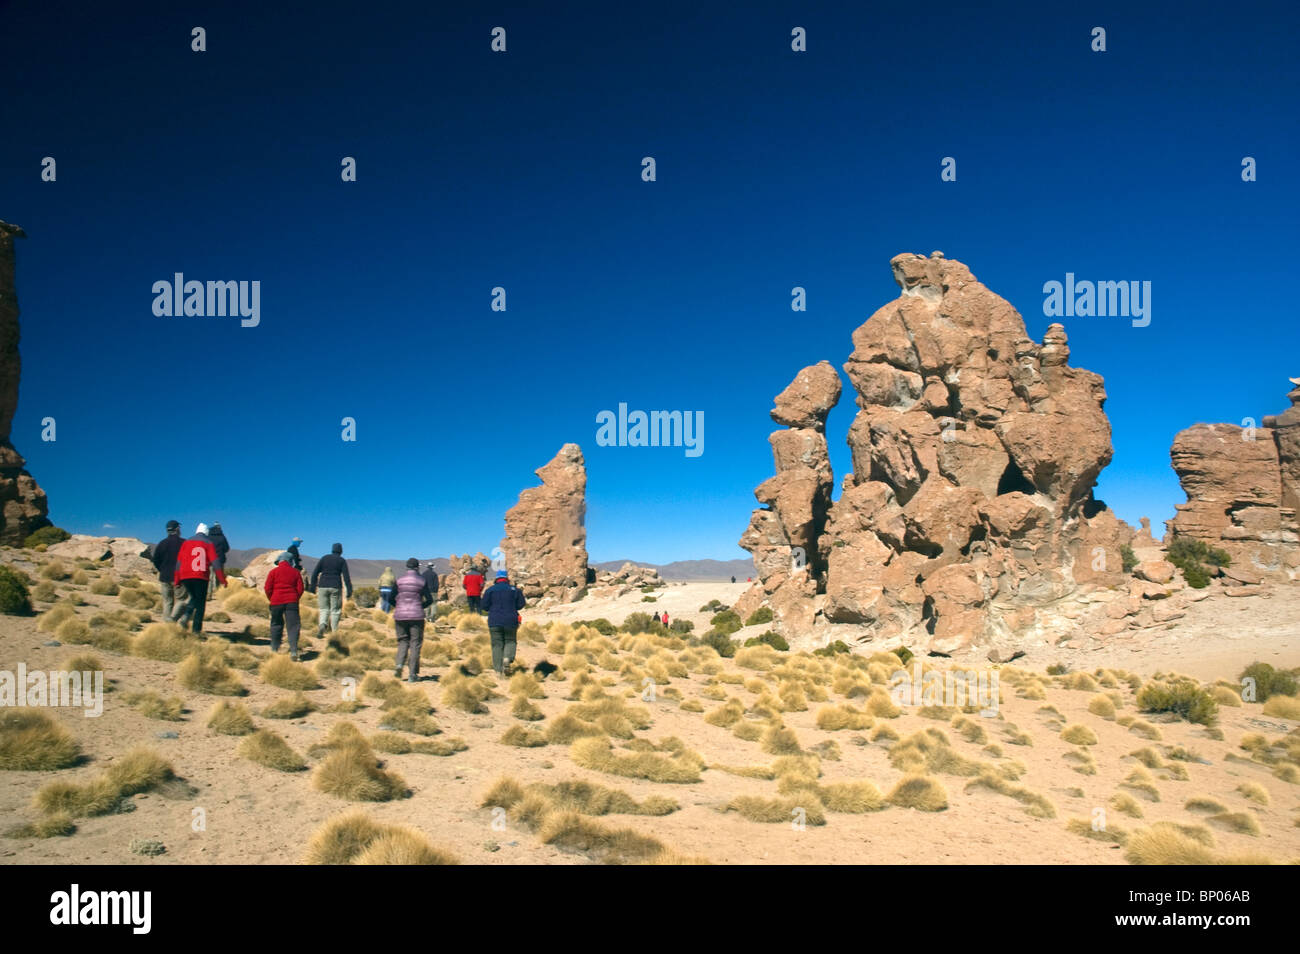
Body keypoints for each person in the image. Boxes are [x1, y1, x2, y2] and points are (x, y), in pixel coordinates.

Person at [171, 522, 227, 633]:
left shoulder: (186, 542)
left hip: (185, 575)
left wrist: (177, 580)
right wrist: (222, 579)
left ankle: (184, 618)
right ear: (206, 533)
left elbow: (178, 563)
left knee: (193, 598)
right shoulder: (208, 543)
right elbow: (216, 563)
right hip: (201, 576)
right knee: (200, 604)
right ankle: (195, 630)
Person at [393, 558, 433, 682]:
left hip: (400, 615)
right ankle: (412, 674)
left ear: (407, 567)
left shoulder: (399, 580)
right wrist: (421, 607)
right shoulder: (421, 581)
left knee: (403, 641)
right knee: (415, 644)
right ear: (417, 567)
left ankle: (399, 664)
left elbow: (390, 597)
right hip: (417, 616)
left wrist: (398, 606)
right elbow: (430, 599)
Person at [482, 569, 525, 676]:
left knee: (496, 644)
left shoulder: (490, 590)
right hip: (511, 619)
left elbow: (484, 606)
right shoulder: (515, 590)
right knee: (510, 641)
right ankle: (507, 658)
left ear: (496, 579)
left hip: (494, 620)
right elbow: (521, 604)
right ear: (507, 579)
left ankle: (498, 670)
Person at [264, 552, 306, 660]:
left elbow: (267, 588)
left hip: (276, 602)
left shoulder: (273, 572)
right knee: (293, 626)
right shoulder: (296, 572)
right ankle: (293, 651)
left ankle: (274, 649)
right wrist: (295, 598)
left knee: (276, 624)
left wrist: (272, 598)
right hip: (292, 602)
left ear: (280, 561)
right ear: (290, 561)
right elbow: (300, 588)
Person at [310, 543, 353, 637]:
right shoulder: (341, 560)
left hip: (322, 585)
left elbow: (315, 573)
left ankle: (322, 625)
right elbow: (346, 577)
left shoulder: (324, 558)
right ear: (341, 551)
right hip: (335, 586)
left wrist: (312, 587)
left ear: (332, 550)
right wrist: (349, 590)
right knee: (335, 610)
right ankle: (334, 632)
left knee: (324, 609)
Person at [151, 520, 184, 618]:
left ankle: (167, 626)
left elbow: (156, 560)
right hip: (179, 577)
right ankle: (174, 622)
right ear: (177, 529)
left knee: (167, 602)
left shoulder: (162, 543)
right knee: (181, 600)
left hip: (164, 577)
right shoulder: (184, 543)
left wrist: (162, 570)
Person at [207, 522, 231, 601]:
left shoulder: (208, 537)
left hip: (210, 559)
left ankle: (209, 594)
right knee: (219, 576)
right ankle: (218, 593)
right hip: (220, 560)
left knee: (210, 577)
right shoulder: (222, 537)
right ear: (219, 528)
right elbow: (227, 548)